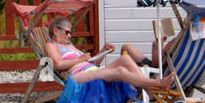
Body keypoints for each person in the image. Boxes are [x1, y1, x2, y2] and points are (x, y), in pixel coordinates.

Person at [45, 17, 174, 91]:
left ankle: (148, 85)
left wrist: (103, 52)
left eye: (70, 32)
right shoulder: (52, 45)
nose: (70, 35)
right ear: (56, 30)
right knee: (120, 71)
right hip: (76, 78)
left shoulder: (70, 46)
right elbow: (57, 65)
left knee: (125, 59)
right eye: (67, 32)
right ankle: (155, 84)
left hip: (91, 71)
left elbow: (92, 64)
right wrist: (80, 59)